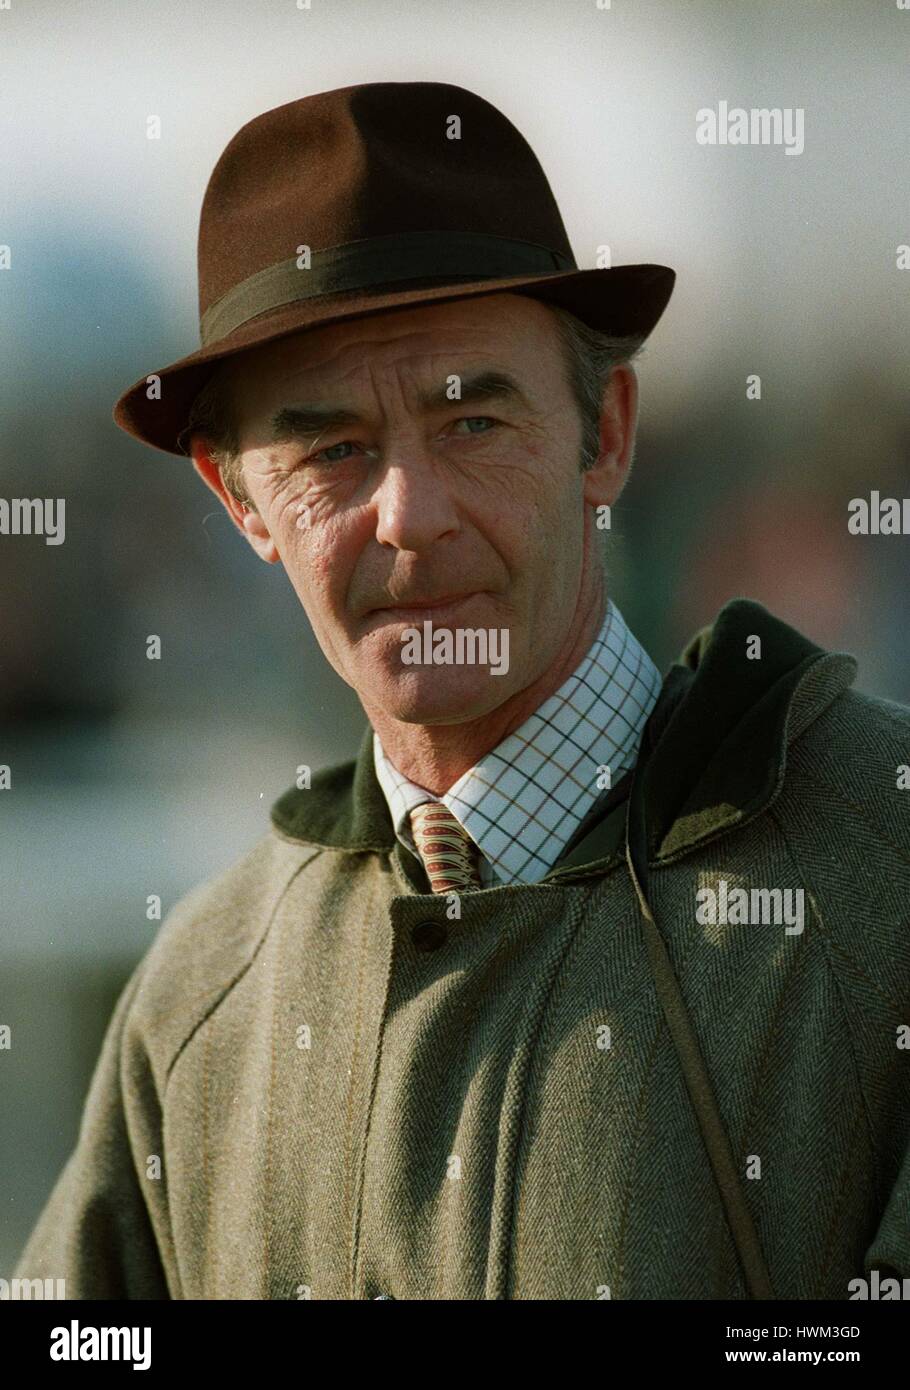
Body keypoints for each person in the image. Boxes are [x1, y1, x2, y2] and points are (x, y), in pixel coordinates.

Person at [15, 81, 910, 1300]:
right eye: (331, 450)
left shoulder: (883, 878)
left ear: (605, 436)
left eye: (474, 421)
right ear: (241, 503)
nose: (411, 516)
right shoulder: (203, 991)